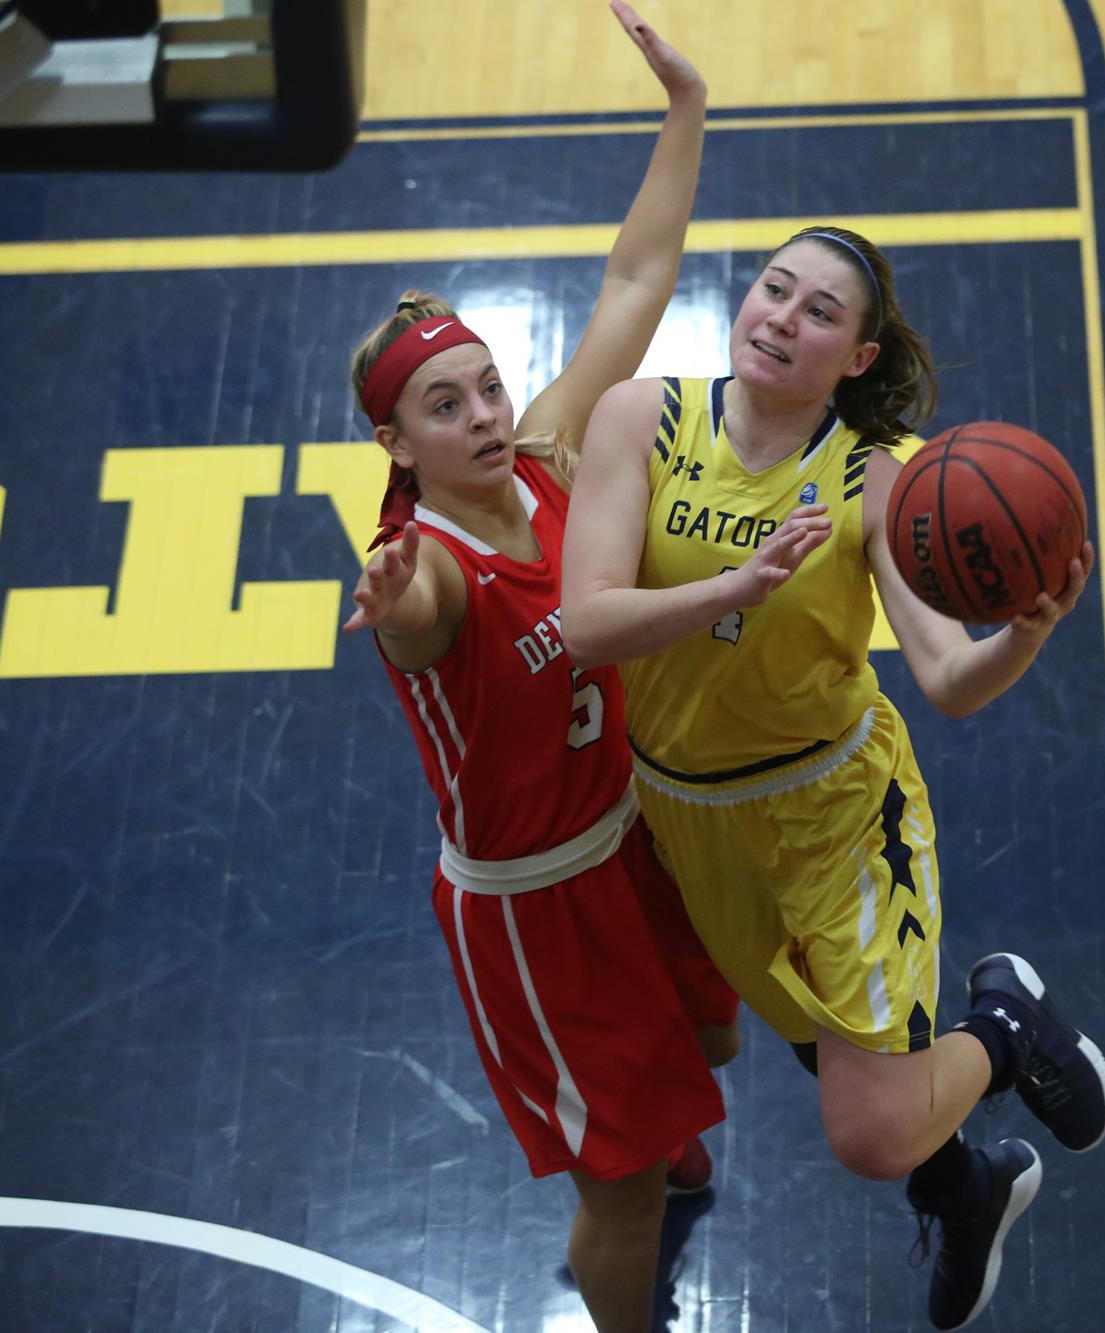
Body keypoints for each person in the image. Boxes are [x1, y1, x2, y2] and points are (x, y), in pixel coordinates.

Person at [560, 224, 1105, 1330]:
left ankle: (1006, 1021)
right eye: (773, 289)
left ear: (856, 358)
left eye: (820, 312)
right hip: (686, 811)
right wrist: (735, 587)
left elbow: (947, 678)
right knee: (840, 1053)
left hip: (834, 812)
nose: (781, 317)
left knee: (865, 1129)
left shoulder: (873, 479)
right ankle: (968, 1187)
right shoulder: (644, 417)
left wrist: (1024, 634)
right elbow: (585, 624)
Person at [338, 7, 739, 1331]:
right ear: (397, 443)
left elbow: (633, 283)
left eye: (488, 388)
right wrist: (395, 601)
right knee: (616, 1192)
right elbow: (416, 622)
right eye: (443, 408)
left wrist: (683, 109)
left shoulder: (552, 454)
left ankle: (668, 1148)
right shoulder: (432, 564)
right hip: (536, 910)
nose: (484, 417)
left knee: (719, 1045)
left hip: (634, 833)